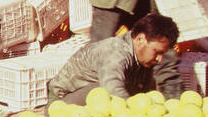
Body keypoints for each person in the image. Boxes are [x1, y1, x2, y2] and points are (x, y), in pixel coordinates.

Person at [48, 13, 180, 106]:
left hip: (88, 97)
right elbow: (113, 89)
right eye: (157, 52)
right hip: (61, 102)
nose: (160, 59)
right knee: (104, 93)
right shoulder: (115, 52)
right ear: (140, 39)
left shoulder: (140, 56)